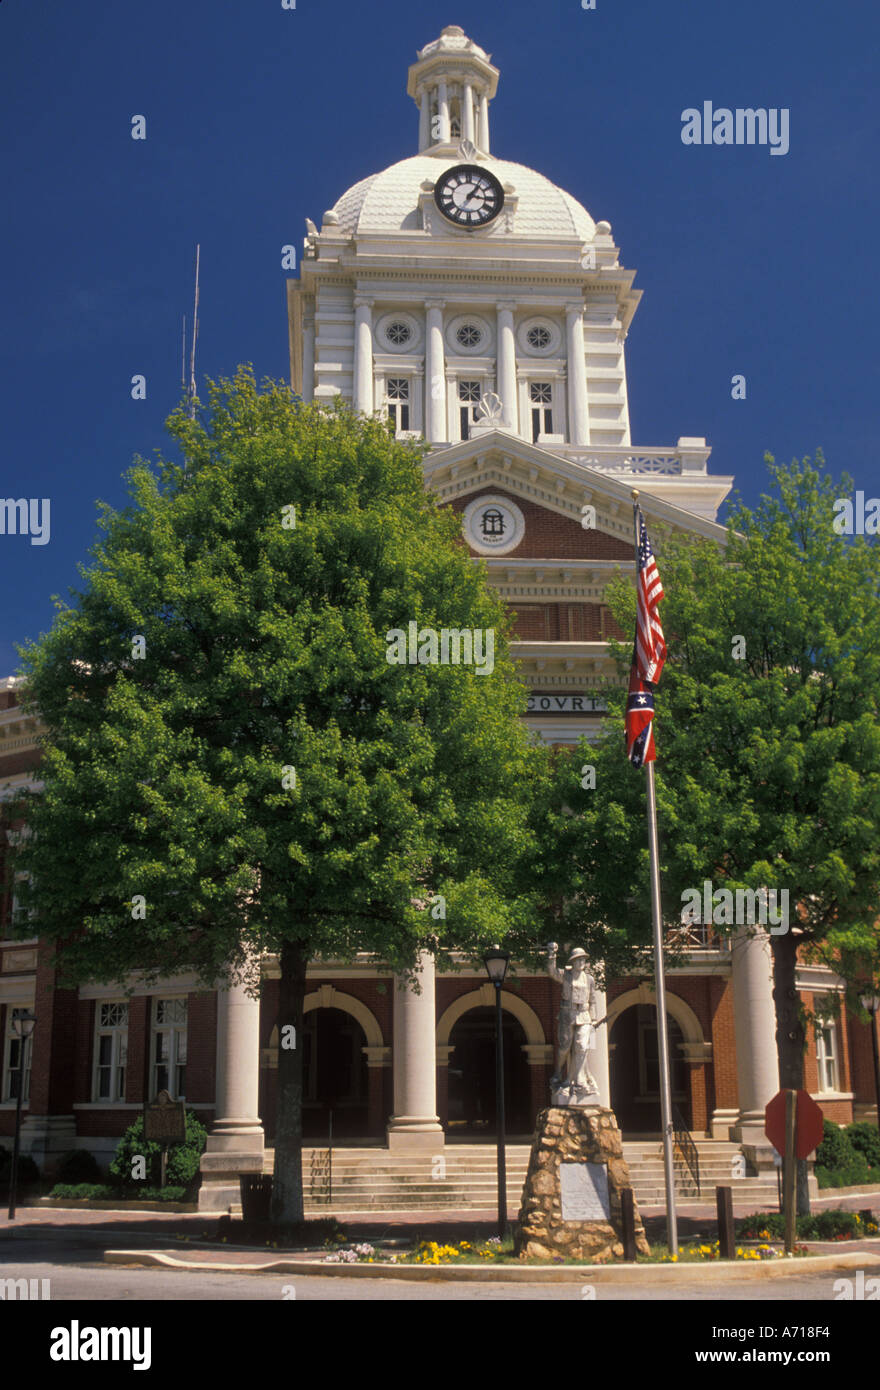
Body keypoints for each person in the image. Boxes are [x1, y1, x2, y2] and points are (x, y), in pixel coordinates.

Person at [546, 943, 599, 1098]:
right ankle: (558, 1073)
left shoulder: (589, 979)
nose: (581, 963)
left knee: (582, 1046)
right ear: (573, 962)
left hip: (584, 1015)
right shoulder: (566, 975)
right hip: (567, 1015)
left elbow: (593, 999)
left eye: (583, 960)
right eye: (578, 960)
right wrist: (551, 955)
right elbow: (552, 972)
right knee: (565, 1047)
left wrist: (594, 1018)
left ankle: (580, 1079)